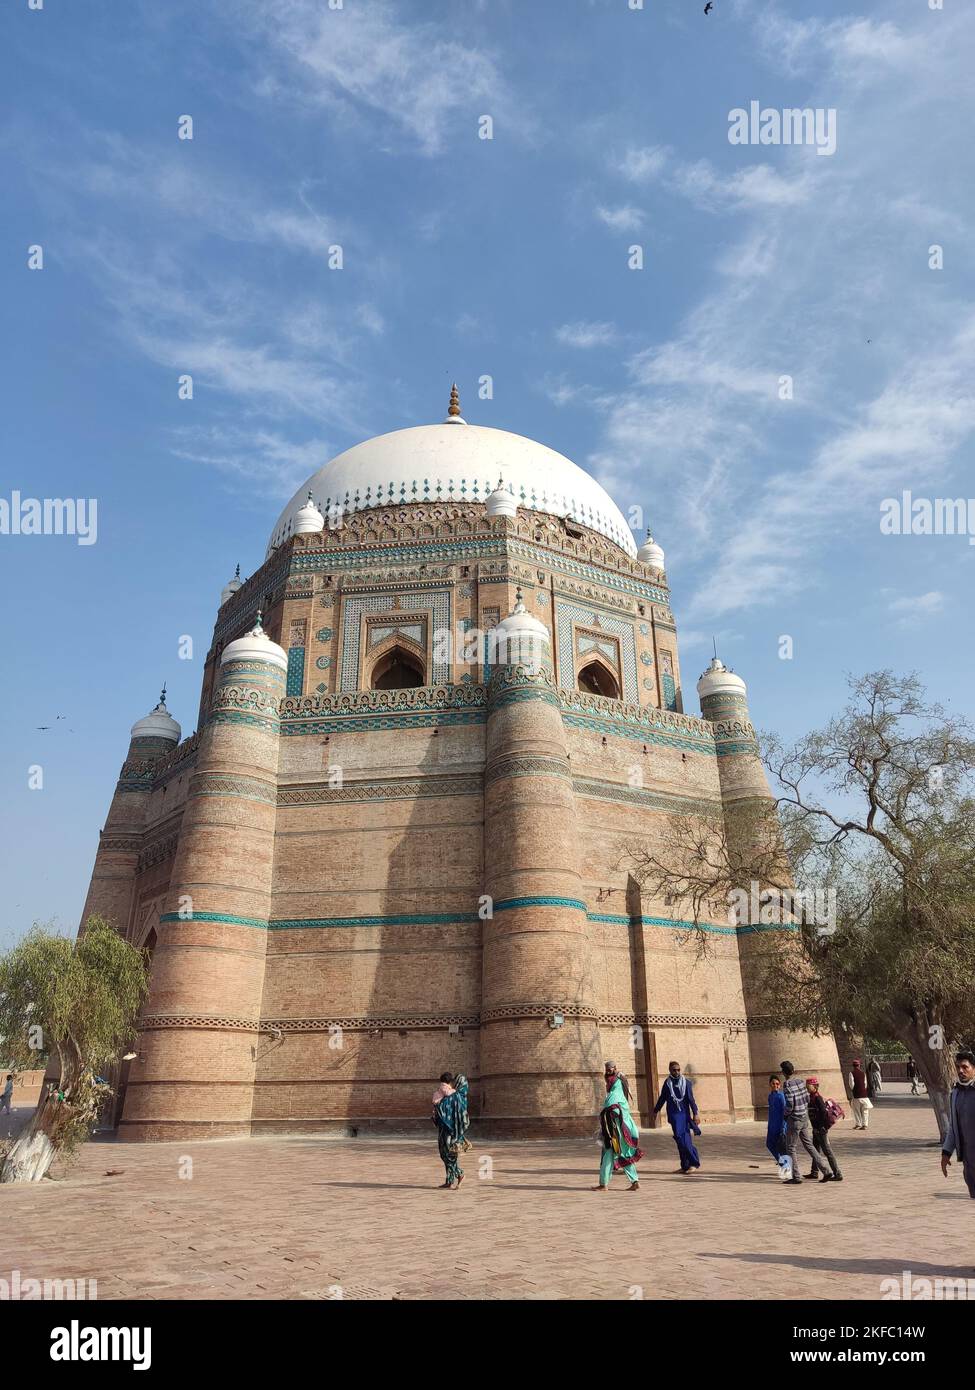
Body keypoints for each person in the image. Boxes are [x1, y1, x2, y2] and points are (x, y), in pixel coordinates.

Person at [592, 1061, 642, 1191]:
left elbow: (611, 1104)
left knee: (608, 1154)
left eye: (610, 1069)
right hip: (619, 1130)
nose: (608, 1071)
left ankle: (604, 1184)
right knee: (623, 1154)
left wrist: (605, 1112)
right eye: (607, 1069)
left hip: (616, 1131)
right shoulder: (615, 1085)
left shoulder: (617, 1085)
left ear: (615, 1069)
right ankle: (635, 1181)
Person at [780, 1060, 830, 1185]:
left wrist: (786, 1115)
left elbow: (790, 1104)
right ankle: (826, 1170)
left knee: (790, 1147)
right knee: (809, 1145)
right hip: (804, 1117)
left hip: (795, 1118)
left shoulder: (787, 1085)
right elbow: (807, 1098)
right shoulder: (801, 1082)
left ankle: (796, 1176)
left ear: (783, 1072)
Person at [653, 1060, 701, 1173]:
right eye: (674, 1070)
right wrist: (656, 1110)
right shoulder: (667, 1083)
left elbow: (691, 1100)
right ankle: (685, 1165)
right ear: (670, 1070)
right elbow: (662, 1098)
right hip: (674, 1117)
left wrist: (696, 1113)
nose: (677, 1072)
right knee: (679, 1141)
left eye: (678, 1070)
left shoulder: (686, 1083)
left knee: (685, 1140)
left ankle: (694, 1163)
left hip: (684, 1116)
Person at [941, 1050, 975, 1199]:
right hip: (969, 1164)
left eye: (965, 1067)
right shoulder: (955, 1093)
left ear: (974, 1068)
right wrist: (946, 1152)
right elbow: (953, 1127)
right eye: (958, 1067)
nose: (960, 1070)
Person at [432, 1071, 469, 1188]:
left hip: (448, 1130)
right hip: (452, 1130)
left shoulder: (455, 1096)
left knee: (446, 1154)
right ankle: (449, 1180)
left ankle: (459, 1174)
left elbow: (439, 1107)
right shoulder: (457, 1096)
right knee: (449, 1154)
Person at [805, 1077, 843, 1181]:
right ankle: (814, 1172)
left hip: (820, 1130)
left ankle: (837, 1173)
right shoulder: (811, 1097)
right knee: (815, 1151)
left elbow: (823, 1113)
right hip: (815, 1129)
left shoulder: (817, 1098)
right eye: (807, 1085)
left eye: (809, 1086)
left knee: (827, 1152)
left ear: (815, 1087)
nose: (807, 1087)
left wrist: (821, 1127)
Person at [766, 1075, 790, 1176]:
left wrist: (783, 1128)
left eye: (777, 1084)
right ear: (770, 1084)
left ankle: (786, 1166)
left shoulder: (781, 1097)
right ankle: (784, 1164)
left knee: (781, 1148)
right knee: (769, 1145)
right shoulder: (770, 1096)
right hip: (771, 1126)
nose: (775, 1085)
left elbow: (784, 1113)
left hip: (780, 1126)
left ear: (779, 1085)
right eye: (773, 1083)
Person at [848, 1059, 873, 1129]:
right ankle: (865, 1124)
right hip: (864, 1095)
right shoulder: (863, 1073)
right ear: (859, 1065)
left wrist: (854, 1090)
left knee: (856, 1110)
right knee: (865, 1110)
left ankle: (858, 1124)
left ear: (853, 1066)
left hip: (856, 1095)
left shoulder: (851, 1073)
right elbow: (865, 1084)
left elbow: (851, 1084)